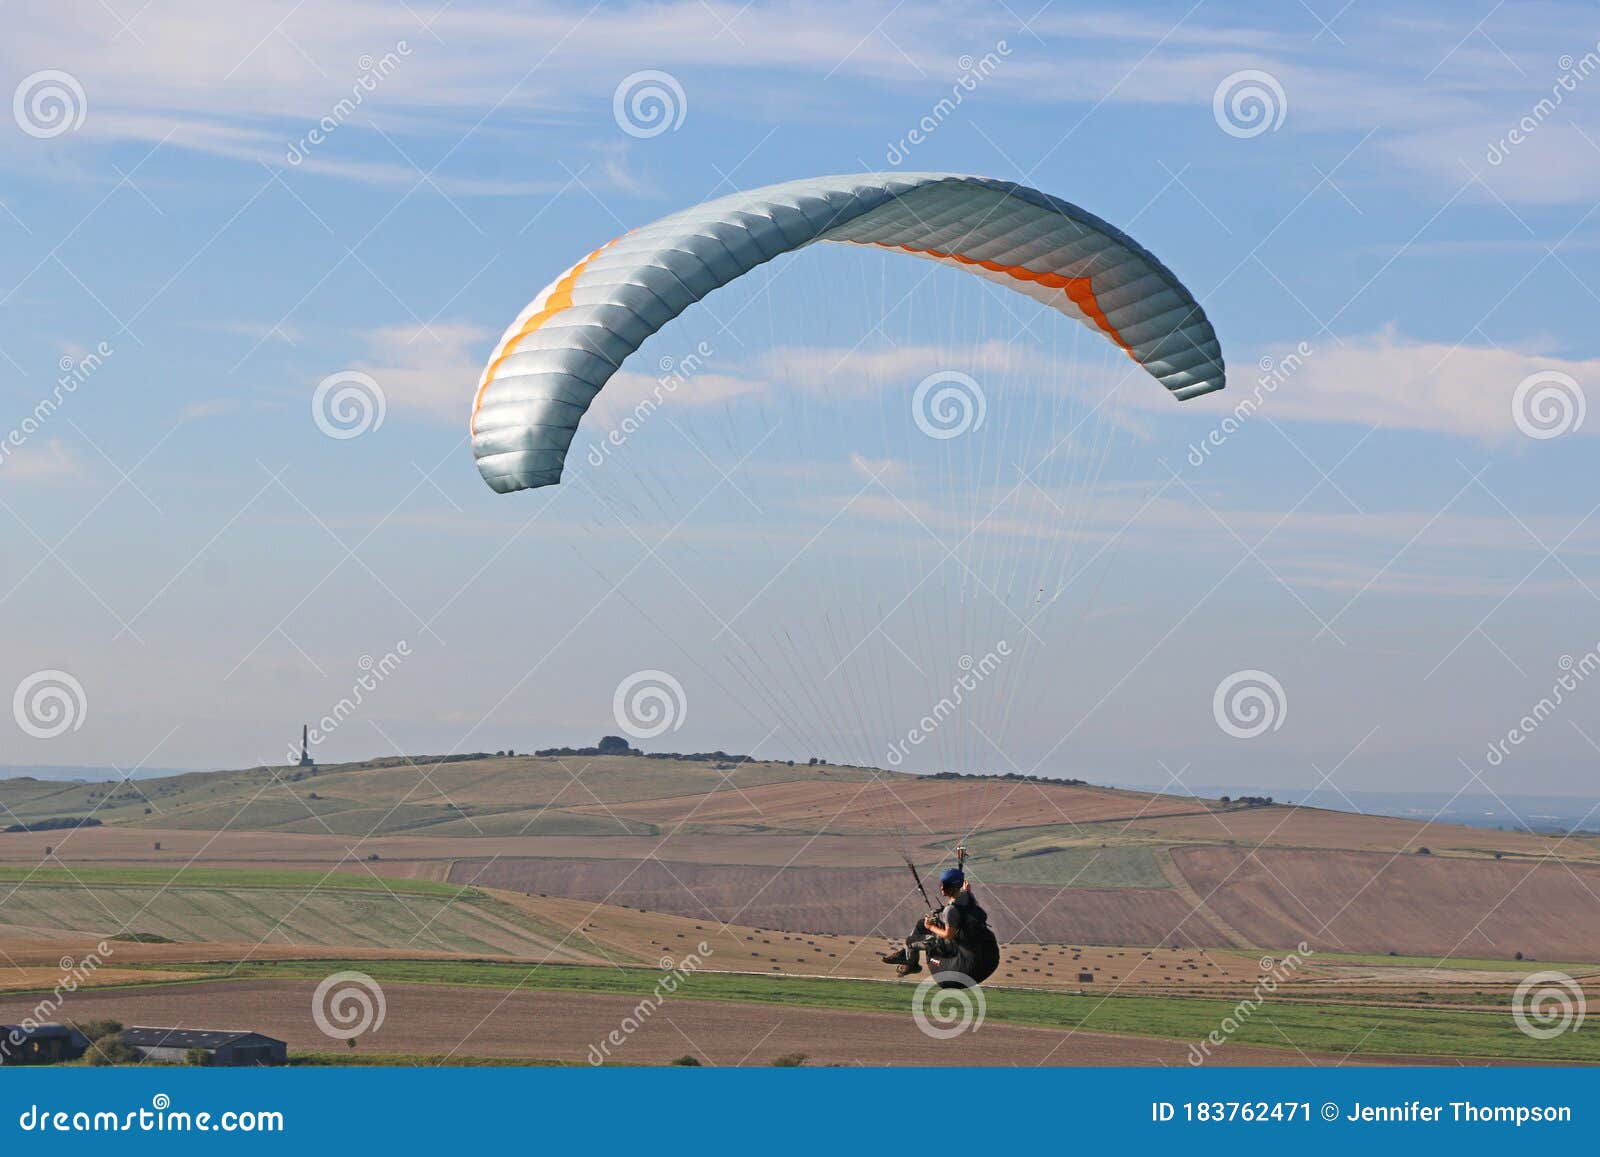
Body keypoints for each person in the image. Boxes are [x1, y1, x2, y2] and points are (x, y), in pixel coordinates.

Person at [881, 867, 999, 987]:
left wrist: (931, 927)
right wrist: (966, 890)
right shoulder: (969, 897)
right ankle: (907, 957)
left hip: (963, 971)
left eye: (946, 885)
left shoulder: (950, 910)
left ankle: (910, 962)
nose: (942, 888)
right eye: (942, 884)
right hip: (989, 960)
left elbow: (948, 935)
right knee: (922, 924)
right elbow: (965, 896)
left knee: (912, 941)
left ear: (954, 887)